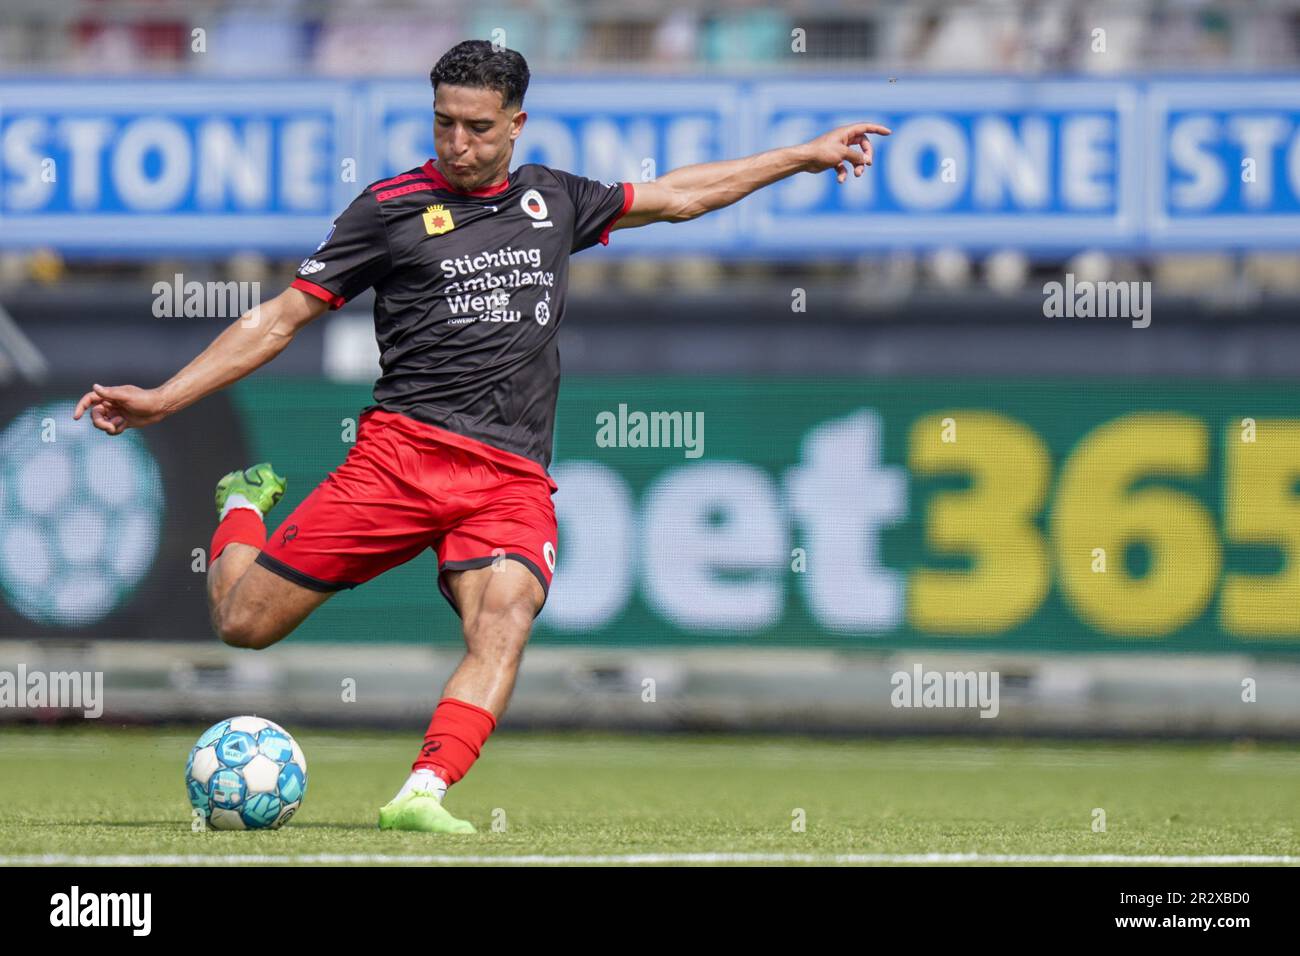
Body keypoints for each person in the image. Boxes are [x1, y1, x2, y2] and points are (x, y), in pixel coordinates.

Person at [73, 39, 888, 834]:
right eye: (443, 124)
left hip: (507, 479)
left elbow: (681, 194)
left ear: (517, 123)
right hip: (399, 460)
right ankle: (245, 505)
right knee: (244, 624)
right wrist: (164, 399)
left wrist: (804, 155)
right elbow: (280, 319)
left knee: (505, 617)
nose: (458, 143)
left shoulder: (554, 200)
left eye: (477, 127)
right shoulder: (387, 211)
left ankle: (424, 790)